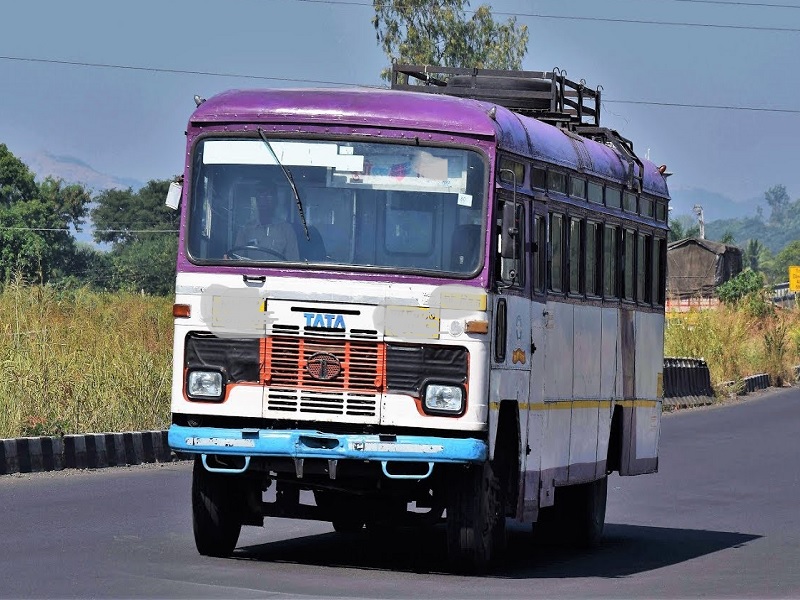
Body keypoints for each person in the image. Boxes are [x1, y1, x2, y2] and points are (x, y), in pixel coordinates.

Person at [235, 189, 300, 260]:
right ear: (256, 202)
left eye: (269, 197)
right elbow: (237, 258)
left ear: (275, 202)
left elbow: (293, 261)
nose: (264, 202)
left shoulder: (286, 230)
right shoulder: (246, 229)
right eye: (261, 197)